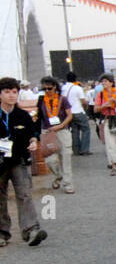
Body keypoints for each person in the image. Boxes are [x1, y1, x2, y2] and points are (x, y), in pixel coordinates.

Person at [0, 77, 47, 246]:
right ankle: (2, 233)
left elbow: (33, 133)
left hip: (18, 160)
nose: (11, 95)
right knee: (0, 198)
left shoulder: (22, 115)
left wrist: (34, 141)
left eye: (14, 92)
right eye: (7, 92)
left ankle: (31, 230)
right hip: (0, 163)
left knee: (25, 194)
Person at [36, 76, 75, 194]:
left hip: (62, 130)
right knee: (50, 160)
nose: (47, 91)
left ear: (55, 88)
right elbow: (39, 116)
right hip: (47, 131)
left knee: (66, 157)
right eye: (45, 89)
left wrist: (61, 125)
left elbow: (70, 115)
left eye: (49, 88)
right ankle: (58, 175)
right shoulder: (41, 100)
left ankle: (68, 184)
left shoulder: (63, 99)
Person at [95, 73, 116, 175]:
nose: (104, 83)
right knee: (110, 144)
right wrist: (105, 105)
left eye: (106, 81)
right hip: (108, 119)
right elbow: (96, 109)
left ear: (111, 82)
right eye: (103, 81)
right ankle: (114, 164)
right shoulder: (100, 94)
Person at [64, 72, 92, 155]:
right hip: (78, 111)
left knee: (74, 131)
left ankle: (76, 149)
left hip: (69, 113)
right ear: (75, 79)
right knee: (86, 129)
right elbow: (83, 101)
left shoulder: (63, 88)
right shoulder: (77, 88)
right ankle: (84, 149)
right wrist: (86, 106)